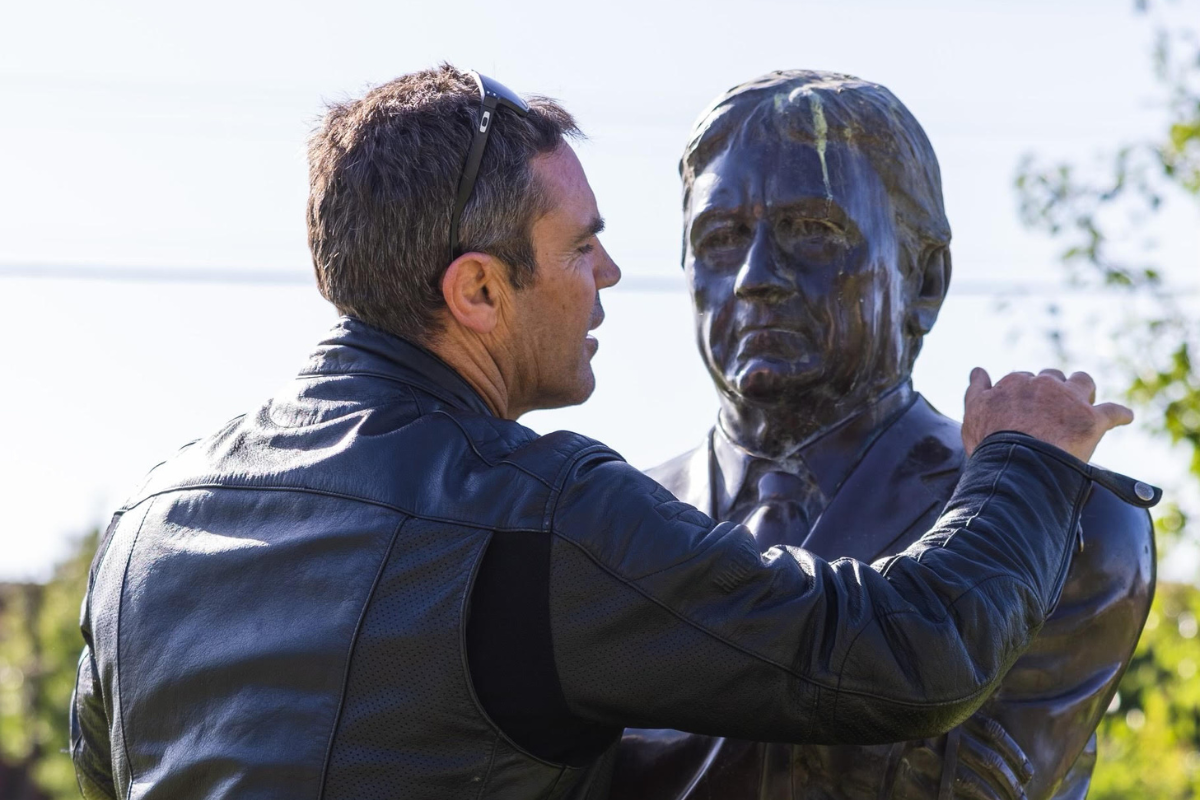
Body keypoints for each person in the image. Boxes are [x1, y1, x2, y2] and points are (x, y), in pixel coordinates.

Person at [69, 65, 1152, 800]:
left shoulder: (142, 530)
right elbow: (915, 654)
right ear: (480, 290)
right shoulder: (557, 519)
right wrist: (1024, 464)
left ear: (924, 274)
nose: (615, 276)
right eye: (583, 246)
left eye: (813, 231)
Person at [610, 70, 1156, 800]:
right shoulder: (601, 528)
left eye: (811, 230)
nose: (753, 278)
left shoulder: (1070, 523)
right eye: (719, 238)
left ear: (924, 279)